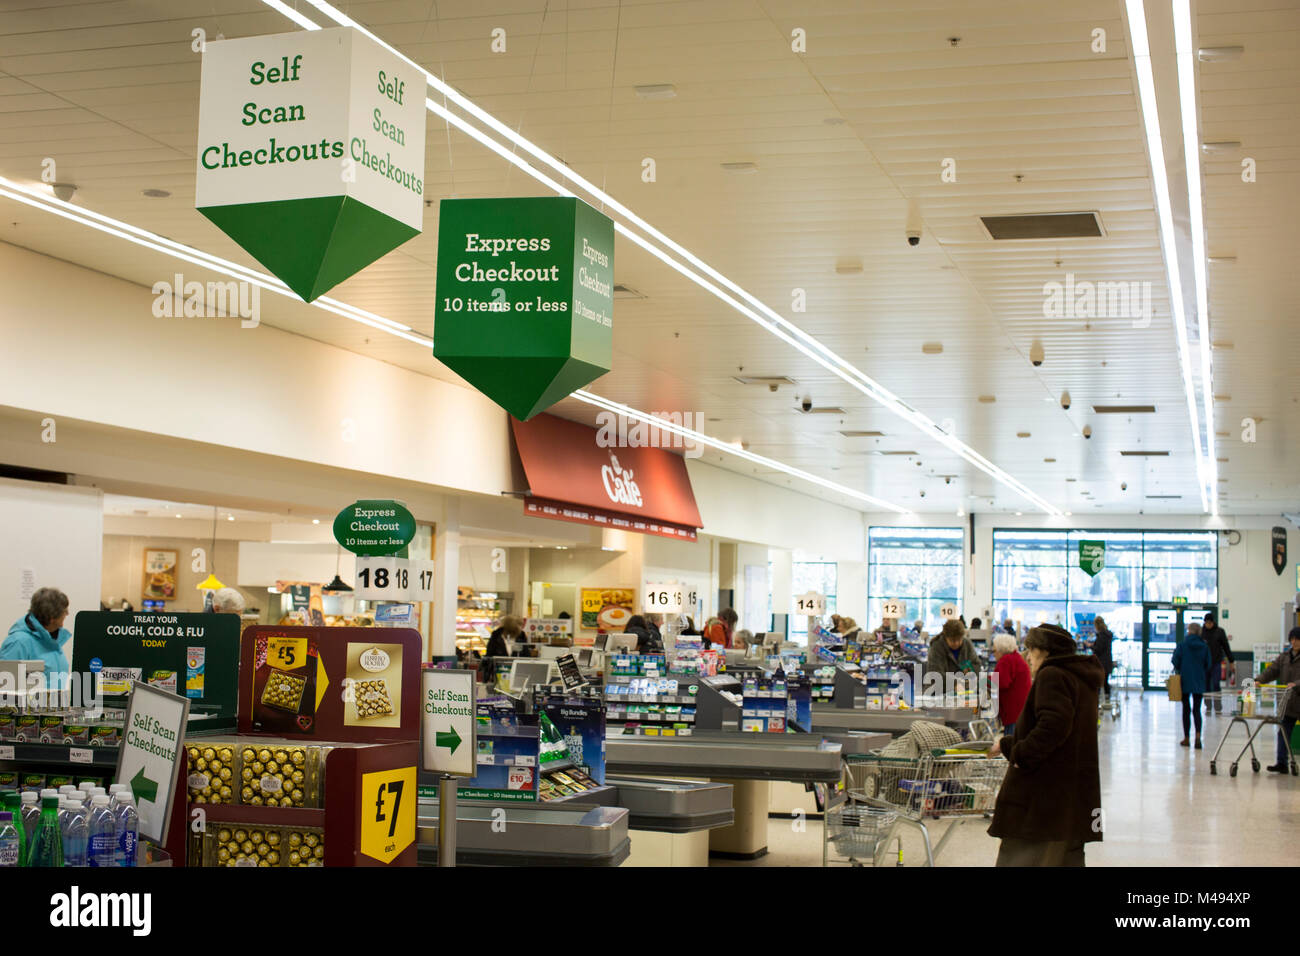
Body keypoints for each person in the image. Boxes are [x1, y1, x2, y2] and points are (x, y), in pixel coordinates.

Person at [989, 624, 1104, 866]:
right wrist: (1008, 743)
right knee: (1065, 857)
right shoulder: (1081, 677)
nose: (1028, 657)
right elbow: (1064, 728)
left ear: (1044, 651)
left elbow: (1053, 726)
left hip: (1045, 796)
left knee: (1025, 857)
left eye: (1031, 650)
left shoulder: (1053, 675)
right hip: (1072, 792)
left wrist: (1019, 754)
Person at [2, 587, 72, 687]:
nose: (67, 614)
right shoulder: (18, 643)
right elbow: (6, 691)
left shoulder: (52, 640)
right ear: (52, 617)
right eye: (65, 611)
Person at [1258, 626, 1300, 773]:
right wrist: (1259, 680)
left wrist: (1296, 684)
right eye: (1292, 639)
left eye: (1297, 639)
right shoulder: (1284, 657)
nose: (1294, 642)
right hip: (1288, 702)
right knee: (1283, 731)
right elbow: (1272, 671)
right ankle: (1282, 763)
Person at [1171, 622, 1211, 749]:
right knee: (1197, 710)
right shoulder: (1204, 647)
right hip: (1199, 681)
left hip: (1185, 680)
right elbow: (1208, 664)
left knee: (1186, 710)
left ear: (1189, 632)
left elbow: (1175, 660)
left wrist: (1181, 668)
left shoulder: (1182, 645)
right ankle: (1198, 737)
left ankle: (1187, 738)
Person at [992, 633, 1031, 734]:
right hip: (1020, 710)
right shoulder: (1016, 658)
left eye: (994, 651)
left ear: (1001, 650)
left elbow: (1001, 682)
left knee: (1011, 743)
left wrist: (981, 681)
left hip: (1013, 711)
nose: (993, 654)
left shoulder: (1006, 660)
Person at [1201, 612, 1231, 714]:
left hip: (1216, 662)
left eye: (1210, 623)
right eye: (1206, 623)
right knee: (1206, 686)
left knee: (1216, 684)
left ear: (1213, 622)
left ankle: (1218, 706)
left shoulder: (1219, 632)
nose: (1208, 625)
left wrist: (1231, 661)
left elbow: (1226, 647)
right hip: (1204, 664)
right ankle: (1208, 706)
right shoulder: (1201, 632)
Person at [1091, 615, 1115, 699]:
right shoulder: (1108, 635)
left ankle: (1097, 700)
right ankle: (1107, 699)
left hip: (1101, 663)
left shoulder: (1102, 636)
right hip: (1107, 662)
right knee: (1105, 682)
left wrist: (1091, 646)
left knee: (1098, 682)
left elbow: (1098, 649)